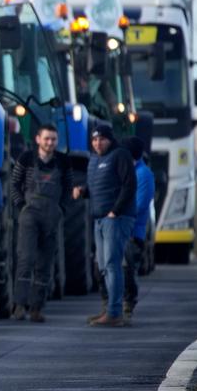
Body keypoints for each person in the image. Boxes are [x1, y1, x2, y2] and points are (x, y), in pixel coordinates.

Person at [72, 123, 136, 327]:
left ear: (110, 139)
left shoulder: (120, 155)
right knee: (103, 266)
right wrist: (83, 191)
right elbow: (98, 188)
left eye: (102, 139)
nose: (98, 143)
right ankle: (108, 309)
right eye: (94, 139)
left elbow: (129, 186)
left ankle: (115, 312)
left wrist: (115, 211)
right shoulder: (94, 160)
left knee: (112, 264)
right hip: (99, 219)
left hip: (116, 219)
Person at [9, 123, 73, 322]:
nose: (50, 142)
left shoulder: (63, 161)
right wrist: (21, 207)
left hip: (51, 216)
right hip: (30, 214)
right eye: (46, 138)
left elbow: (68, 188)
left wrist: (61, 209)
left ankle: (36, 308)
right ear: (38, 139)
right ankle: (19, 306)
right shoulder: (26, 158)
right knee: (26, 260)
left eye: (53, 139)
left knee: (45, 264)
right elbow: (14, 184)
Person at [120, 136, 155, 321]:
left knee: (128, 269)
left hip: (134, 232)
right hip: (120, 229)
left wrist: (117, 211)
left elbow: (140, 205)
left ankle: (128, 305)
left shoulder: (143, 174)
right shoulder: (126, 171)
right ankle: (114, 306)